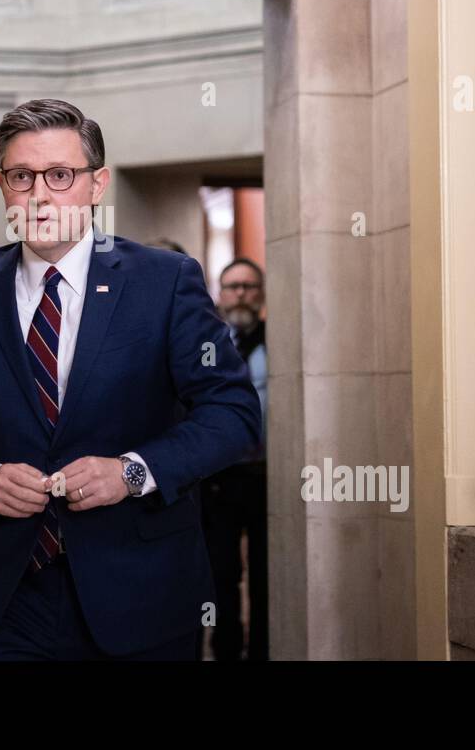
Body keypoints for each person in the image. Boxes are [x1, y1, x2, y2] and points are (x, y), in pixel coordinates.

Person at [0, 98, 262, 660]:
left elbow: (233, 414)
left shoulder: (163, 282)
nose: (39, 194)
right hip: (5, 595)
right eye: (22, 177)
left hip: (141, 591)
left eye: (60, 175)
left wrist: (132, 471)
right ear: (2, 184)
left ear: (97, 184)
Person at [200, 257, 268, 660]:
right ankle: (224, 652)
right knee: (220, 573)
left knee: (265, 574)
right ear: (219, 295)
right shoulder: (206, 342)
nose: (240, 293)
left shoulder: (280, 338)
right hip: (218, 479)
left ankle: (261, 652)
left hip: (265, 476)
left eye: (248, 286)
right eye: (232, 287)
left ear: (260, 293)